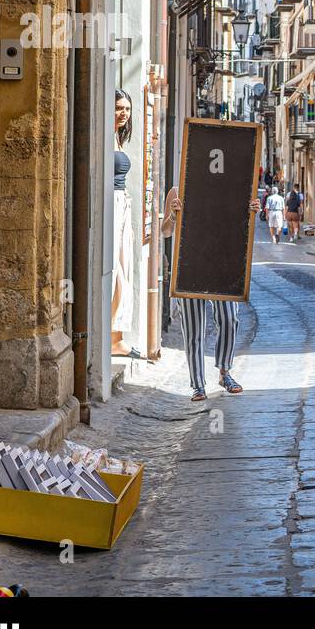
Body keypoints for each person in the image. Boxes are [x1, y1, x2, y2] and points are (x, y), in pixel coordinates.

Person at [161, 186, 260, 401]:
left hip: (222, 266)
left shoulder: (231, 186)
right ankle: (198, 385)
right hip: (189, 267)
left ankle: (225, 372)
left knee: (229, 318)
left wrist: (251, 213)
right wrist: (173, 216)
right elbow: (165, 231)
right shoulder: (177, 190)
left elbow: (240, 228)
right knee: (194, 328)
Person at [110, 89, 139, 359]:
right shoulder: (105, 136)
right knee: (115, 272)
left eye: (127, 109)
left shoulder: (117, 137)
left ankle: (117, 336)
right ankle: (111, 337)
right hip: (111, 205)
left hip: (121, 205)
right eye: (119, 107)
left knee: (124, 270)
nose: (123, 113)